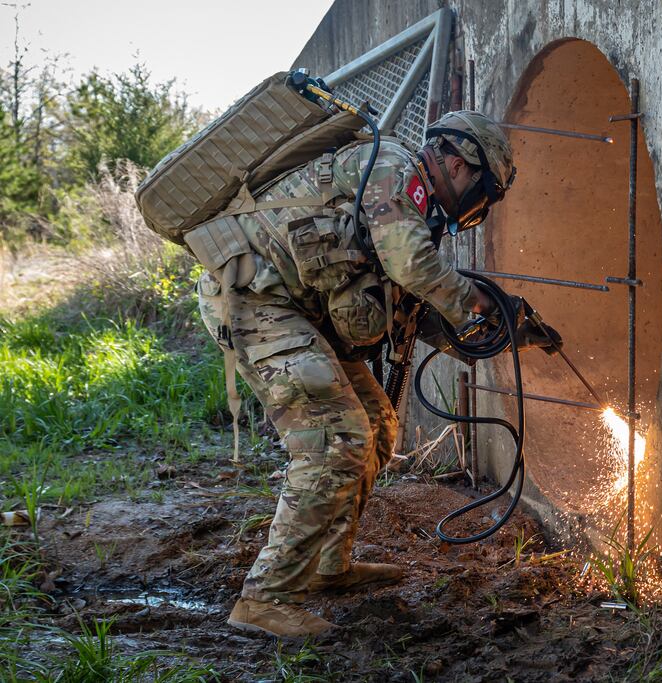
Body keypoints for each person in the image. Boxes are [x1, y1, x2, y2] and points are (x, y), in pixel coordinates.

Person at [194, 110, 558, 638]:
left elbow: (411, 306)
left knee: (377, 426)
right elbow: (413, 268)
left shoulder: (408, 210)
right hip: (253, 300)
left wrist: (510, 330)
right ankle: (266, 598)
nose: (477, 208)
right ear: (459, 164)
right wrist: (478, 303)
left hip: (299, 311)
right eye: (482, 193)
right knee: (333, 439)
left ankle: (329, 565)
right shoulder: (390, 167)